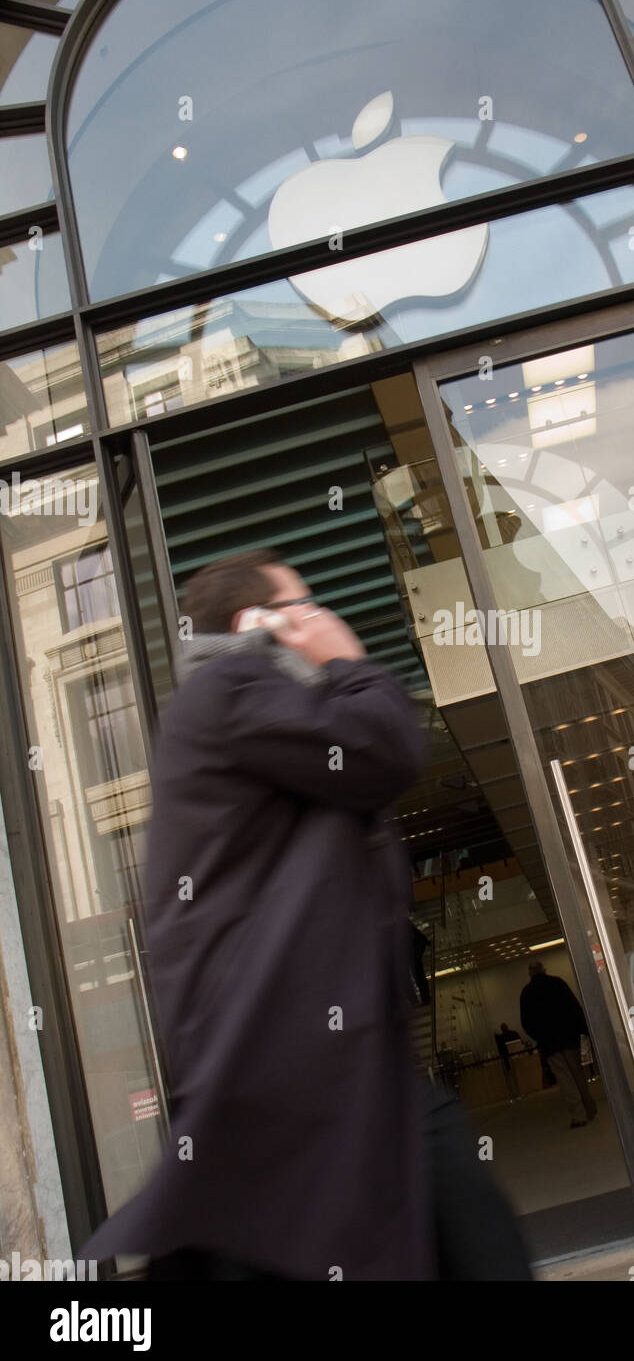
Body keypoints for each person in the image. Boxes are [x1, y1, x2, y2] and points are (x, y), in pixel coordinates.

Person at [81, 549, 531, 1282]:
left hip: (308, 1051)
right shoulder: (232, 685)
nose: (322, 617)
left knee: (427, 1210)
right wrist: (346, 662)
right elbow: (381, 749)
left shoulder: (248, 705)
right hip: (291, 1050)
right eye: (306, 605)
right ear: (256, 623)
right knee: (442, 1210)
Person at [519, 962, 597, 1128]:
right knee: (578, 1075)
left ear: (530, 974)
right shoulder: (558, 983)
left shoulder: (526, 993)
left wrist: (540, 1037)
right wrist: (582, 1032)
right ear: (544, 970)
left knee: (565, 1079)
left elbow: (526, 1023)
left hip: (549, 1044)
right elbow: (575, 1009)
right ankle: (590, 1108)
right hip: (570, 1038)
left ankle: (578, 1116)